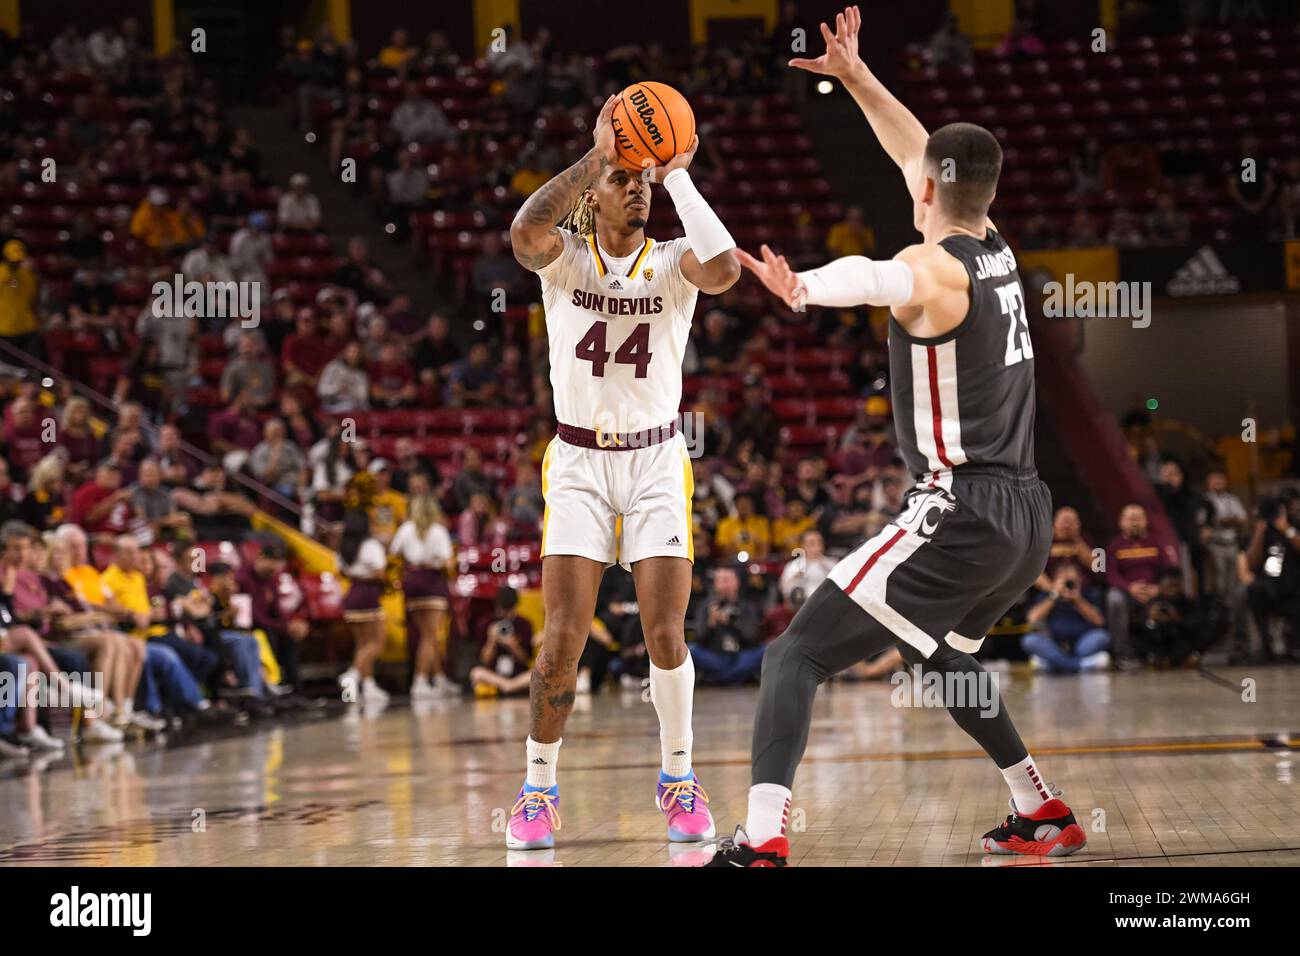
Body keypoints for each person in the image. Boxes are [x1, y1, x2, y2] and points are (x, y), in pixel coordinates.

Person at [715, 6, 1086, 866]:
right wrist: (855, 77)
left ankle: (763, 839)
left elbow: (876, 276)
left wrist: (803, 285)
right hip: (1026, 515)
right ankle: (1041, 808)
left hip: (957, 510)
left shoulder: (930, 268)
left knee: (793, 655)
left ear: (925, 191)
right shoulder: (994, 246)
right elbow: (917, 150)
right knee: (947, 658)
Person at [503, 87, 742, 850]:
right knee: (562, 640)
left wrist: (677, 176)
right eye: (624, 179)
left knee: (665, 633)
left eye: (643, 182)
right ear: (595, 195)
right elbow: (521, 232)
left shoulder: (673, 262)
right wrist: (597, 156)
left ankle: (679, 776)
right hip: (576, 462)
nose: (635, 188)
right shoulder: (563, 258)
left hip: (656, 462)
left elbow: (728, 269)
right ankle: (538, 787)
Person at [390, 493, 457, 699]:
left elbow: (393, 553)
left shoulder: (405, 529)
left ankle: (438, 679)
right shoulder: (438, 531)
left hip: (412, 582)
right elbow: (448, 562)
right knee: (429, 636)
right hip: (432, 581)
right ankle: (419, 681)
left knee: (426, 634)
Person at [335, 510, 391, 705]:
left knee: (362, 644)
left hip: (352, 593)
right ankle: (353, 674)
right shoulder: (370, 545)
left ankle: (366, 687)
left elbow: (341, 571)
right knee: (377, 642)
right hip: (368, 595)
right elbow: (379, 572)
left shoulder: (343, 547)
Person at [1021, 564, 1111, 673]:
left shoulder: (1088, 593)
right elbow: (1032, 619)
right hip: (1055, 643)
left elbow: (1099, 621)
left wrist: (1078, 600)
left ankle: (1054, 665)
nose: (1068, 585)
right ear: (1055, 580)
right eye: (1065, 582)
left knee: (1102, 636)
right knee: (1030, 640)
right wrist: (1054, 596)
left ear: (1079, 580)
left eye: (1071, 581)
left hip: (1083, 642)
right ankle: (1082, 664)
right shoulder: (1048, 595)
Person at [690, 566, 764, 684]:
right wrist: (711, 623)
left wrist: (734, 623)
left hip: (740, 657)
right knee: (690, 650)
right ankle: (734, 677)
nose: (725, 586)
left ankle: (719, 678)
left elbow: (753, 639)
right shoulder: (705, 607)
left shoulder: (748, 607)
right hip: (714, 657)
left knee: (766, 650)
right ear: (715, 584)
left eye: (728, 580)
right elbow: (698, 639)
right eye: (722, 581)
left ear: (737, 582)